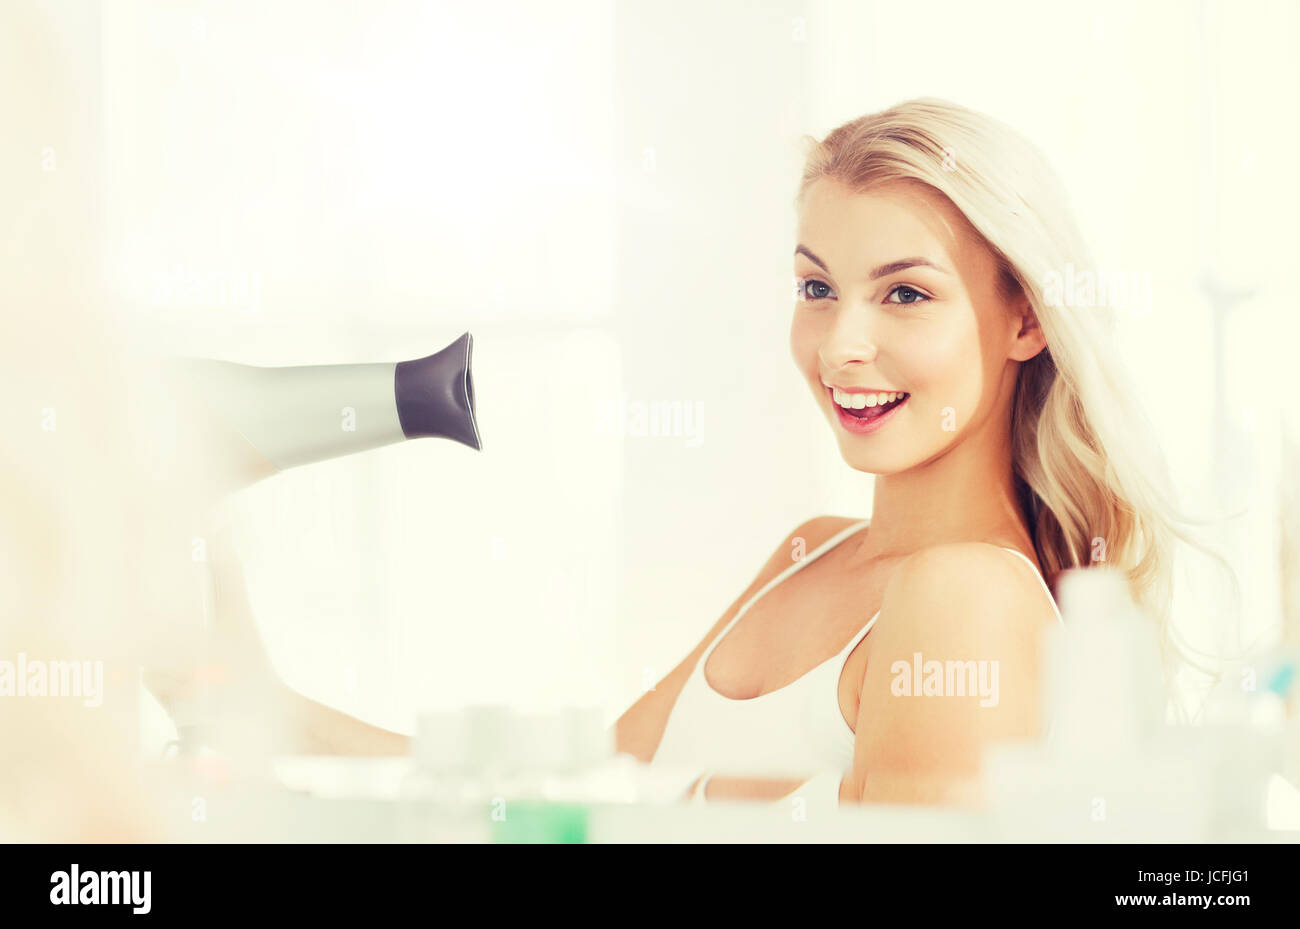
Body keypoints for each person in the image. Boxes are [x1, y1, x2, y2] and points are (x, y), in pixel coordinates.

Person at [152, 98, 1220, 808]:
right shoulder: (812, 551)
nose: (842, 343)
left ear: (1026, 320)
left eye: (904, 293)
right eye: (816, 288)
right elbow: (568, 799)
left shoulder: (968, 598)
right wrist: (252, 692)